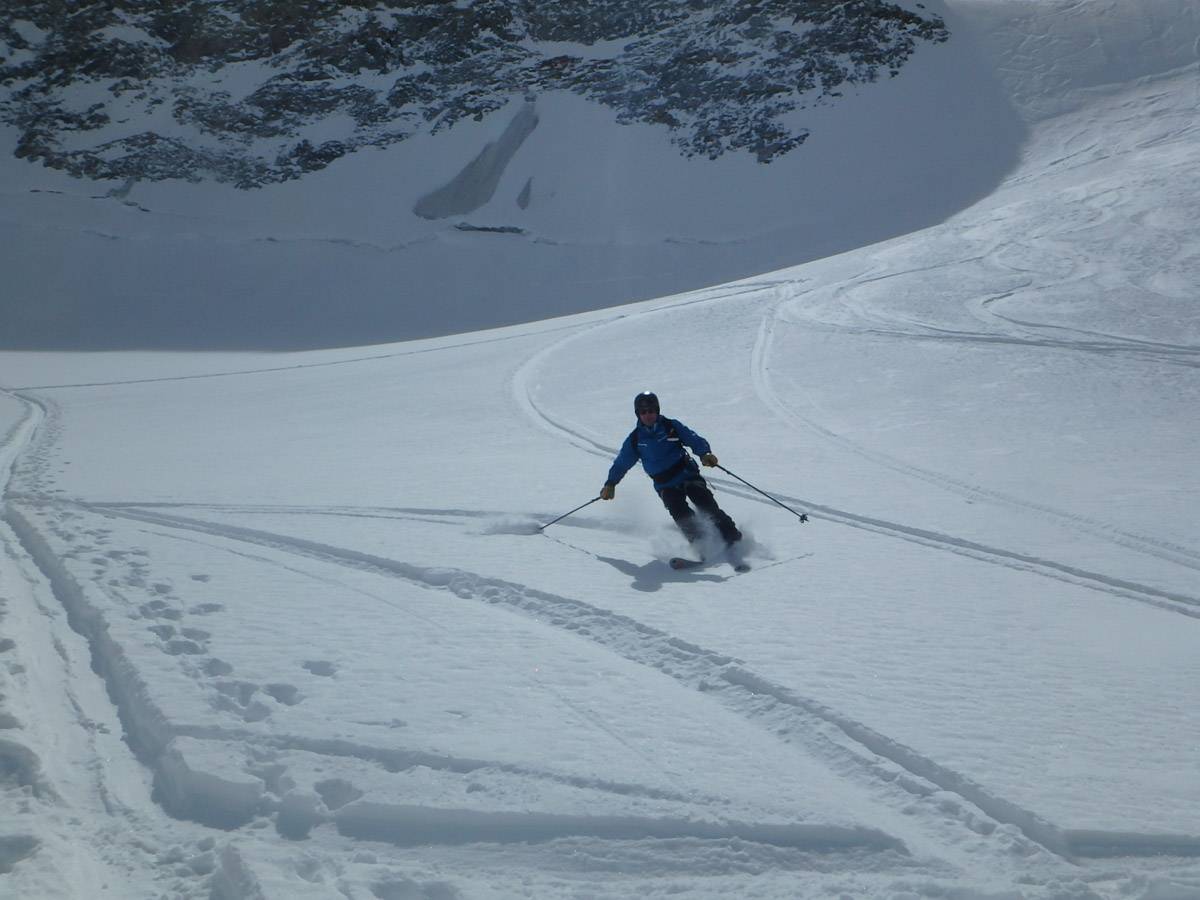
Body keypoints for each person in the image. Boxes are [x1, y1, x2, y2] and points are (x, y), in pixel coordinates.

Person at [601, 391, 742, 549]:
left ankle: (733, 537)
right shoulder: (635, 439)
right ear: (638, 414)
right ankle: (702, 545)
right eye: (643, 412)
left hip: (687, 474)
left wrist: (705, 453)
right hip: (664, 484)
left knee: (705, 503)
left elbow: (692, 439)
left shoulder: (670, 426)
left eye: (651, 411)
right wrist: (610, 483)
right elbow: (622, 463)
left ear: (657, 410)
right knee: (680, 514)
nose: (648, 415)